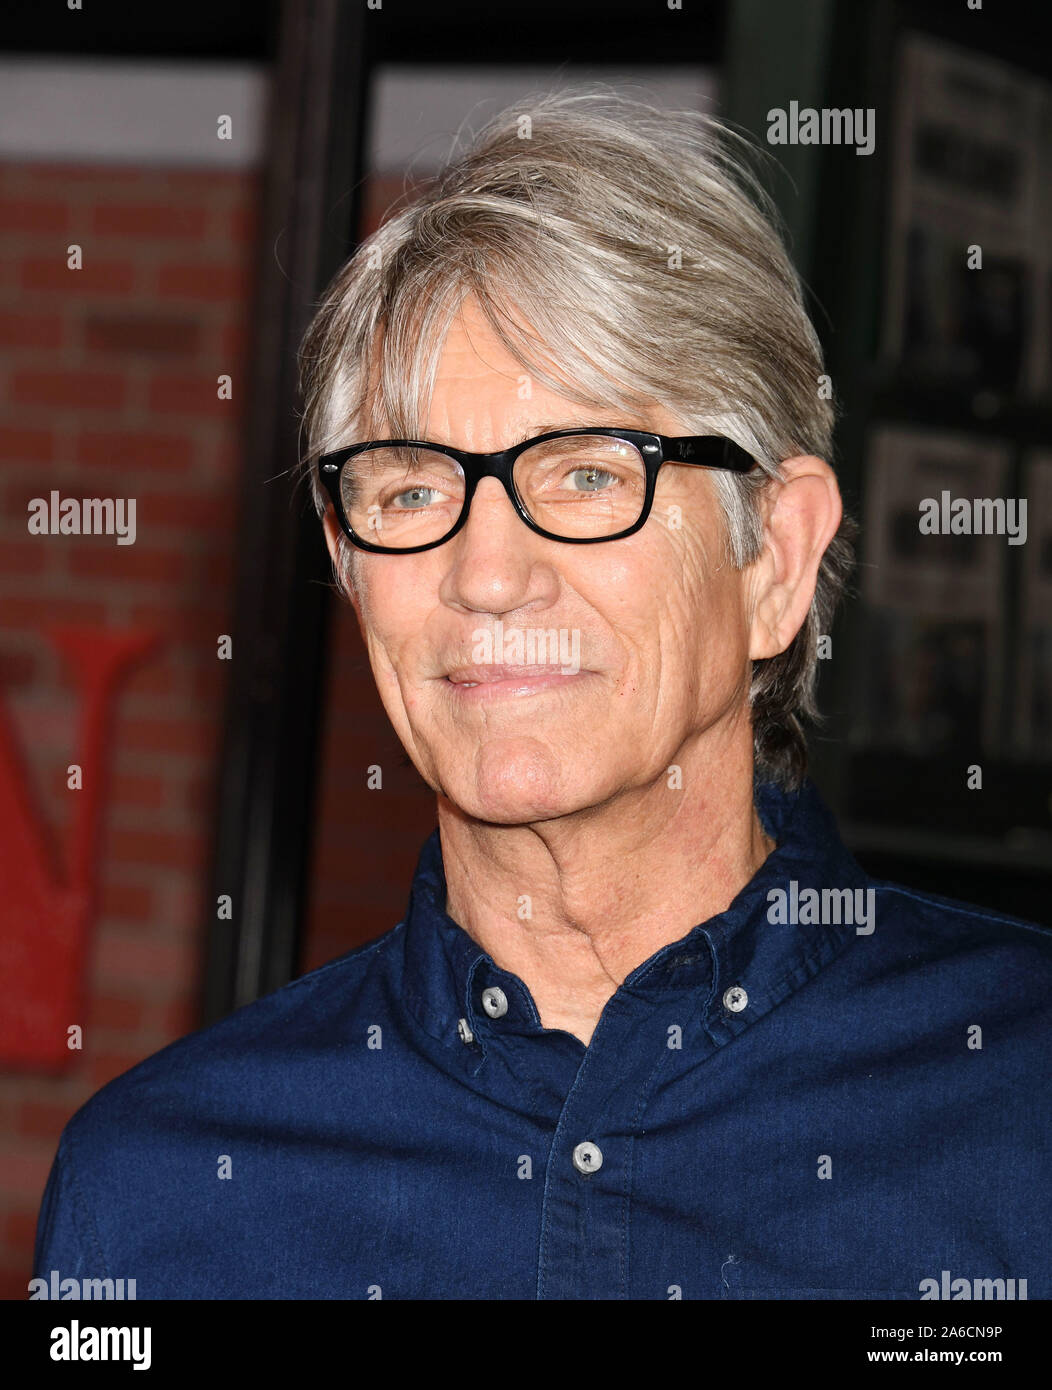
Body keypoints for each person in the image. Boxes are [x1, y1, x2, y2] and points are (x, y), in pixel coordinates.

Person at [34, 91, 1051, 1300]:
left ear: (773, 556)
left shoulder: (1015, 1107)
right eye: (410, 491)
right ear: (350, 567)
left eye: (582, 472)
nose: (486, 574)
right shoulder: (159, 1193)